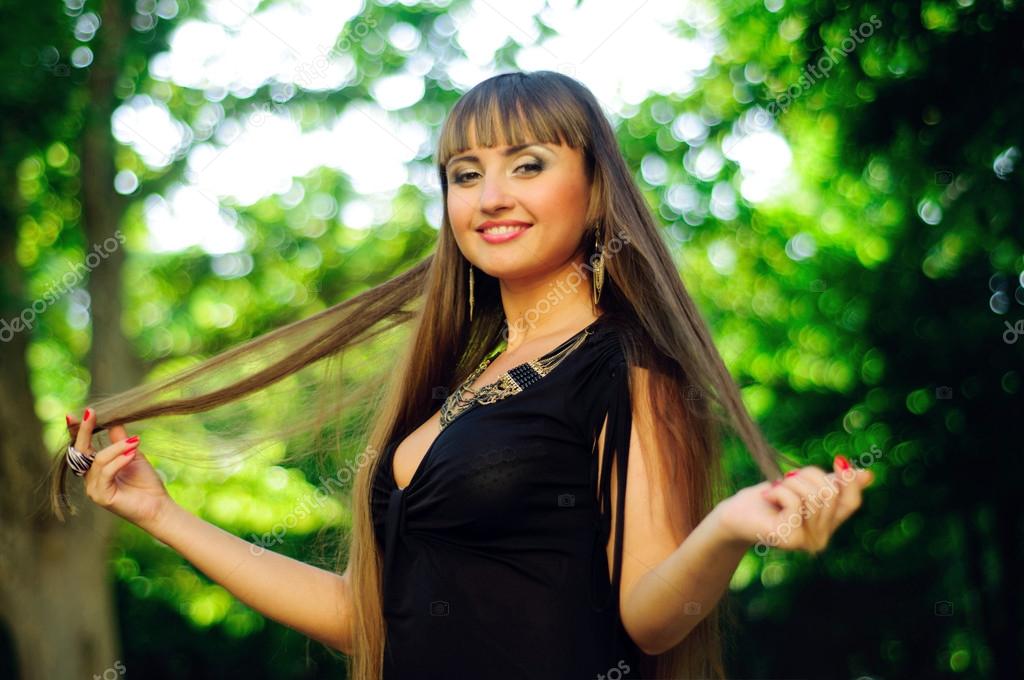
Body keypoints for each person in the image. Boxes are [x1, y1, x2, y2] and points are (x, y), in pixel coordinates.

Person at [50, 70, 874, 679]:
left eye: (527, 164)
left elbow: (651, 621)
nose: (490, 195)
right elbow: (363, 616)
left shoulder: (624, 368)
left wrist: (728, 525)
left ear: (594, 191)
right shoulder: (460, 386)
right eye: (465, 173)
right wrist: (162, 516)